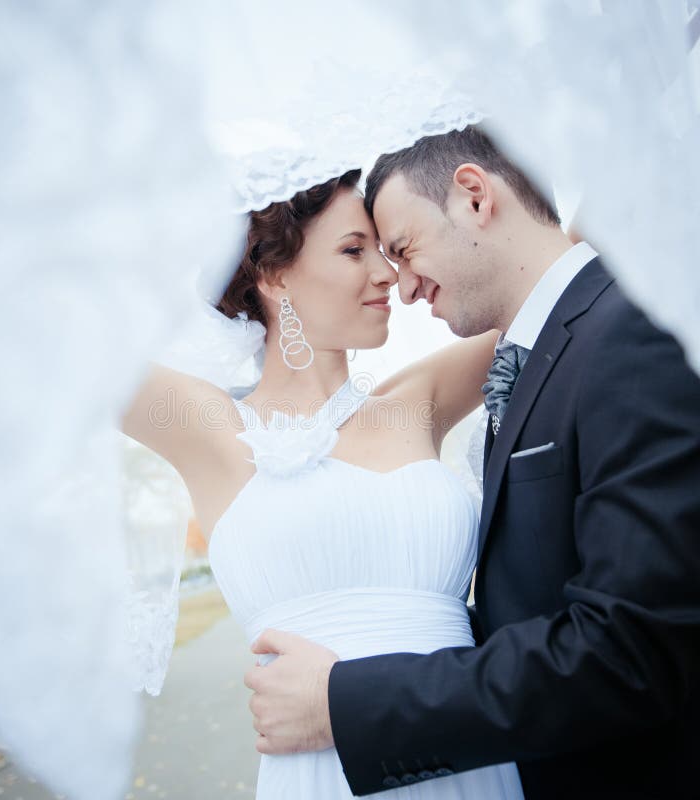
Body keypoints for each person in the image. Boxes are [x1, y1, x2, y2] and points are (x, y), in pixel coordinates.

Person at [244, 126, 700, 799]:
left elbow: (632, 648)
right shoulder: (549, 351)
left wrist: (350, 703)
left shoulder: (628, 333)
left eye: (401, 249)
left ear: (474, 196)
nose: (400, 289)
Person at [120, 167, 524, 797]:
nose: (388, 274)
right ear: (275, 274)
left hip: (471, 756)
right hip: (326, 774)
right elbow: (63, 344)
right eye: (353, 250)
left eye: (386, 252)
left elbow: (555, 282)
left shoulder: (416, 401)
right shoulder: (215, 430)